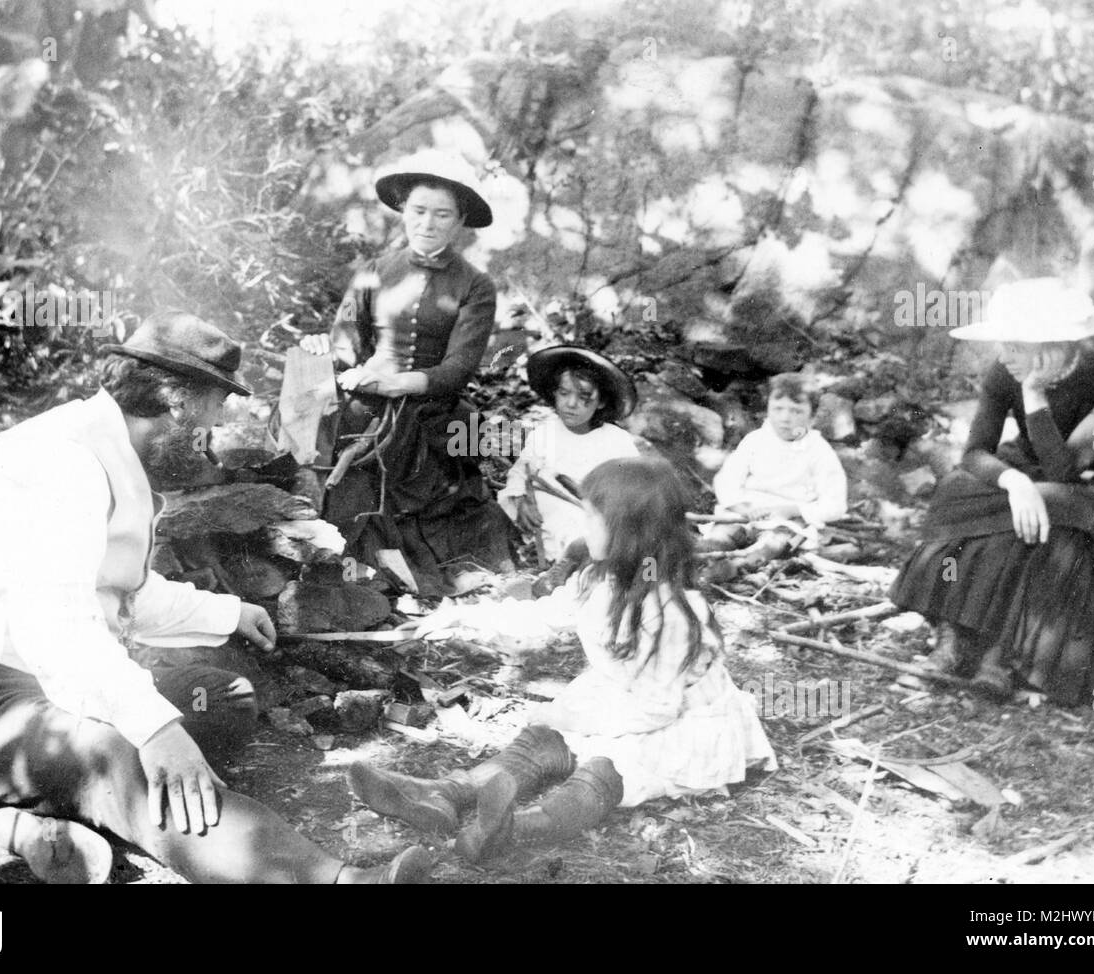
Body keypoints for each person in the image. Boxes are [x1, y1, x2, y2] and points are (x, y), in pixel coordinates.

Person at [0, 312, 432, 884]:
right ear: (175, 399)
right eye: (216, 404)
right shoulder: (61, 459)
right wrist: (155, 731)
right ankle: (334, 880)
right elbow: (57, 629)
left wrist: (227, 612)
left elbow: (119, 592)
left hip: (31, 687)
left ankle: (27, 820)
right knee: (118, 750)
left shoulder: (112, 447)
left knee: (223, 699)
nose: (216, 424)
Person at [347, 456, 777, 862]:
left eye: (592, 516)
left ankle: (515, 829)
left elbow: (656, 709)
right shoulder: (598, 577)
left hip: (676, 722)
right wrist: (457, 618)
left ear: (631, 530)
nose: (581, 525)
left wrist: (575, 719)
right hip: (622, 698)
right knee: (540, 738)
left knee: (606, 769)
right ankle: (443, 794)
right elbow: (544, 617)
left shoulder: (671, 612)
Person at [891, 278, 1094, 704]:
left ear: (1052, 343)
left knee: (1051, 532)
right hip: (1021, 472)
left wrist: (1033, 395)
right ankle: (953, 642)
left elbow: (1065, 468)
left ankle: (1000, 656)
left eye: (1015, 344)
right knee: (956, 494)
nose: (1004, 354)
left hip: (1085, 482)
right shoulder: (1004, 370)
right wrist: (1013, 482)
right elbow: (975, 452)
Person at [299, 149, 512, 594]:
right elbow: (345, 344)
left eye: (441, 215)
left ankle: (424, 566)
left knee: (445, 445)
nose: (427, 223)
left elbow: (458, 368)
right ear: (403, 212)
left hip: (434, 405)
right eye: (418, 211)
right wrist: (326, 352)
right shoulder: (376, 270)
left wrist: (398, 384)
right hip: (370, 394)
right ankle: (336, 558)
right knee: (331, 424)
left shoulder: (475, 285)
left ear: (458, 222)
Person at [498, 345, 639, 562]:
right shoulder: (544, 434)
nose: (571, 404)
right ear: (554, 392)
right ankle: (573, 555)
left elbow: (634, 486)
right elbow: (521, 472)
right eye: (564, 393)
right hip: (555, 514)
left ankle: (586, 555)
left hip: (598, 514)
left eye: (584, 397)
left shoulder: (617, 440)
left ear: (601, 401)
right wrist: (520, 499)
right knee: (554, 508)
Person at [703, 372, 848, 573]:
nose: (785, 418)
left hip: (785, 522)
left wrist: (793, 509)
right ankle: (700, 559)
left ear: (812, 417)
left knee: (772, 545)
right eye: (777, 409)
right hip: (746, 514)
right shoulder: (756, 440)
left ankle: (736, 566)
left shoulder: (818, 451)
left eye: (796, 411)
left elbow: (836, 504)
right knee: (720, 538)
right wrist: (743, 508)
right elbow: (726, 481)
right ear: (768, 408)